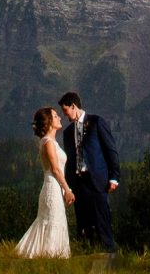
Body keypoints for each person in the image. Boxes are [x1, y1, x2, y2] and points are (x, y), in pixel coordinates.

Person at [57, 90, 121, 255]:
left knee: (102, 222)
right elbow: (70, 160)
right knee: (83, 225)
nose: (65, 115)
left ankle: (111, 257)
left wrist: (114, 177)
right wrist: (68, 187)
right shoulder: (67, 133)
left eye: (65, 111)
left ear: (73, 106)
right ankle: (87, 258)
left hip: (98, 181)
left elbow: (111, 150)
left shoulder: (97, 122)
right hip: (78, 183)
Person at [14, 105, 73, 258]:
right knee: (52, 222)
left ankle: (51, 258)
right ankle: (49, 257)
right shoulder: (48, 143)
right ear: (49, 122)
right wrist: (67, 190)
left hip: (55, 188)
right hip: (52, 188)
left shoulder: (51, 142)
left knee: (55, 221)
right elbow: (55, 169)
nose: (59, 118)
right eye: (55, 116)